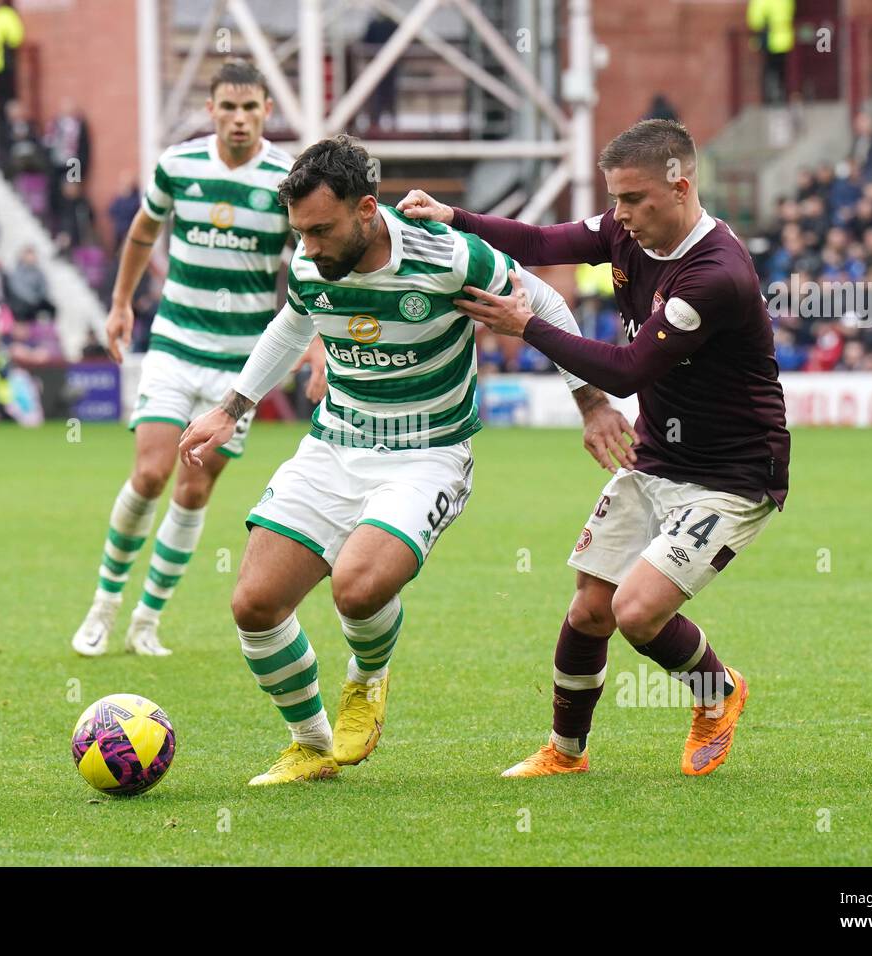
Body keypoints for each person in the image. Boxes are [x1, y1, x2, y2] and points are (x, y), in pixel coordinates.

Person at [177, 135, 626, 786]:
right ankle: (310, 746)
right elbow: (292, 324)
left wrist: (591, 403)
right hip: (335, 445)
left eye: (322, 230)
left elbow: (545, 304)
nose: (309, 248)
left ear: (366, 210)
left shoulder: (448, 256)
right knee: (253, 604)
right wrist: (231, 407)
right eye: (299, 233)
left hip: (427, 454)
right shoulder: (312, 261)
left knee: (356, 587)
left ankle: (367, 676)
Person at [398, 118, 791, 778]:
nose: (621, 215)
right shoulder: (621, 229)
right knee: (588, 607)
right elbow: (540, 239)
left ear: (681, 185)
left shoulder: (713, 276)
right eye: (615, 199)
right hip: (659, 456)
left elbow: (630, 370)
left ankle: (717, 693)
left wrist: (526, 327)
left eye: (634, 199)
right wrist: (452, 216)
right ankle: (566, 753)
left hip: (733, 472)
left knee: (635, 611)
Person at [70, 60, 310, 659]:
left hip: (242, 366)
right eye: (228, 107)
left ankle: (147, 619)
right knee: (150, 472)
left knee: (194, 490)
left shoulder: (286, 181)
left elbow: (310, 266)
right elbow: (142, 232)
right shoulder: (178, 165)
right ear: (211, 109)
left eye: (250, 108)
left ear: (266, 112)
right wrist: (121, 302)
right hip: (175, 344)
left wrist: (315, 341)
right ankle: (103, 604)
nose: (238, 118)